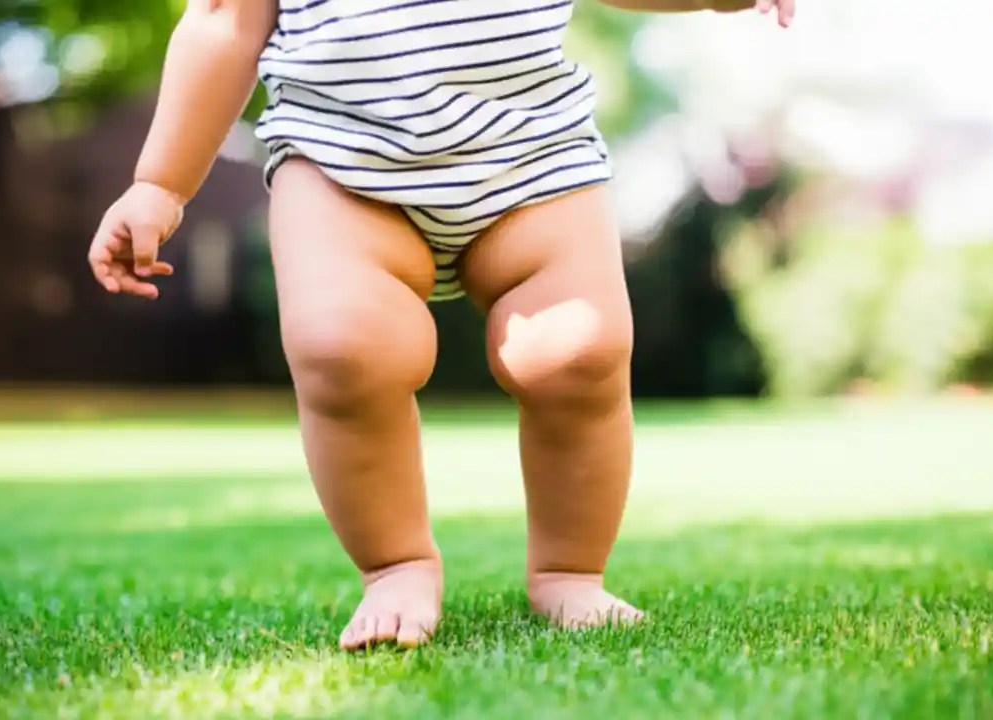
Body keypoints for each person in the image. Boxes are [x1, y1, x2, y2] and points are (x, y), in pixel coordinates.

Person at [87, 0, 795, 650]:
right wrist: (160, 184)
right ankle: (395, 565)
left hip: (530, 155)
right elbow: (223, 21)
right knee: (345, 347)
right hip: (342, 162)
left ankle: (569, 573)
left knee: (578, 350)